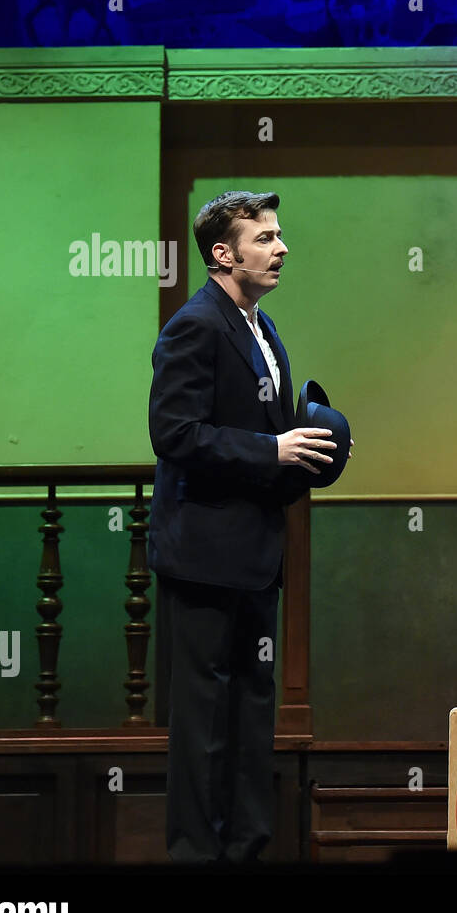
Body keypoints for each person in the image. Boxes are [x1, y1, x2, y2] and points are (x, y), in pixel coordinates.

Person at [148, 190, 339, 863]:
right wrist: (271, 451)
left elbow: (273, 437)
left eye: (280, 235)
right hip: (202, 556)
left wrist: (306, 454)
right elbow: (174, 434)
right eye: (265, 238)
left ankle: (250, 851)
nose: (281, 247)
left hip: (256, 555)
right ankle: (198, 857)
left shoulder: (265, 329)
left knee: (252, 715)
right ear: (223, 254)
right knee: (203, 723)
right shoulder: (195, 325)